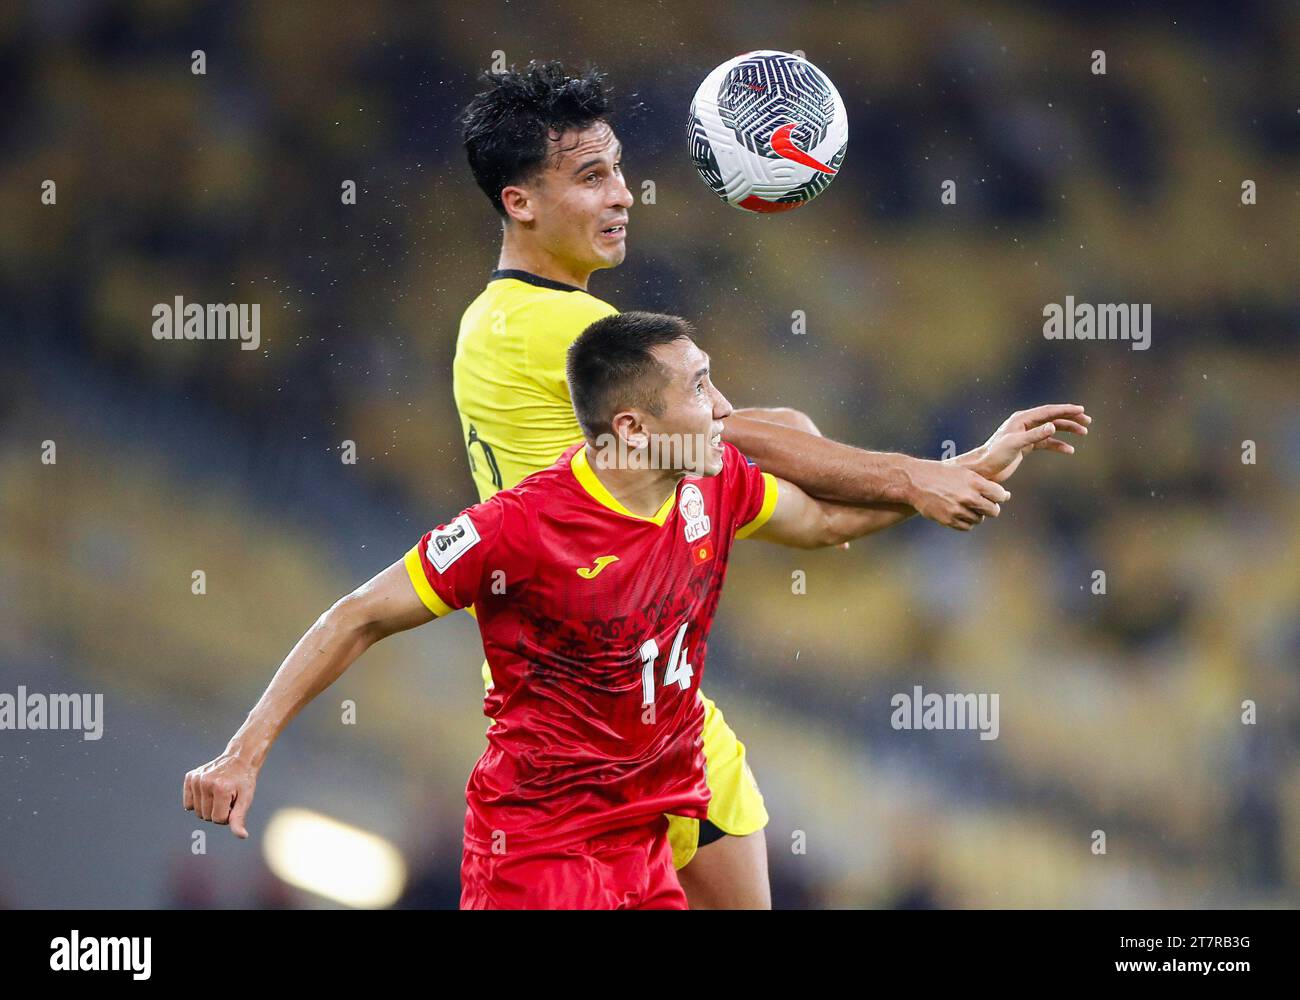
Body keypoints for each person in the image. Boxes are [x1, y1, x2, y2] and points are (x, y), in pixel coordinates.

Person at [450, 60, 1091, 906]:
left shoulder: (514, 323)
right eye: (592, 176)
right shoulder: (565, 326)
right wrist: (916, 473)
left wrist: (960, 471)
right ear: (519, 201)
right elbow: (731, 432)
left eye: (620, 171)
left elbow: (794, 491)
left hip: (641, 698)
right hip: (586, 723)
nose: (624, 195)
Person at [183, 310, 1086, 909]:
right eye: (699, 387)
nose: (725, 406)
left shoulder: (714, 480)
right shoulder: (520, 529)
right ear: (631, 428)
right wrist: (244, 749)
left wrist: (971, 463)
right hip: (538, 850)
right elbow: (358, 614)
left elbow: (822, 523)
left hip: (650, 837)